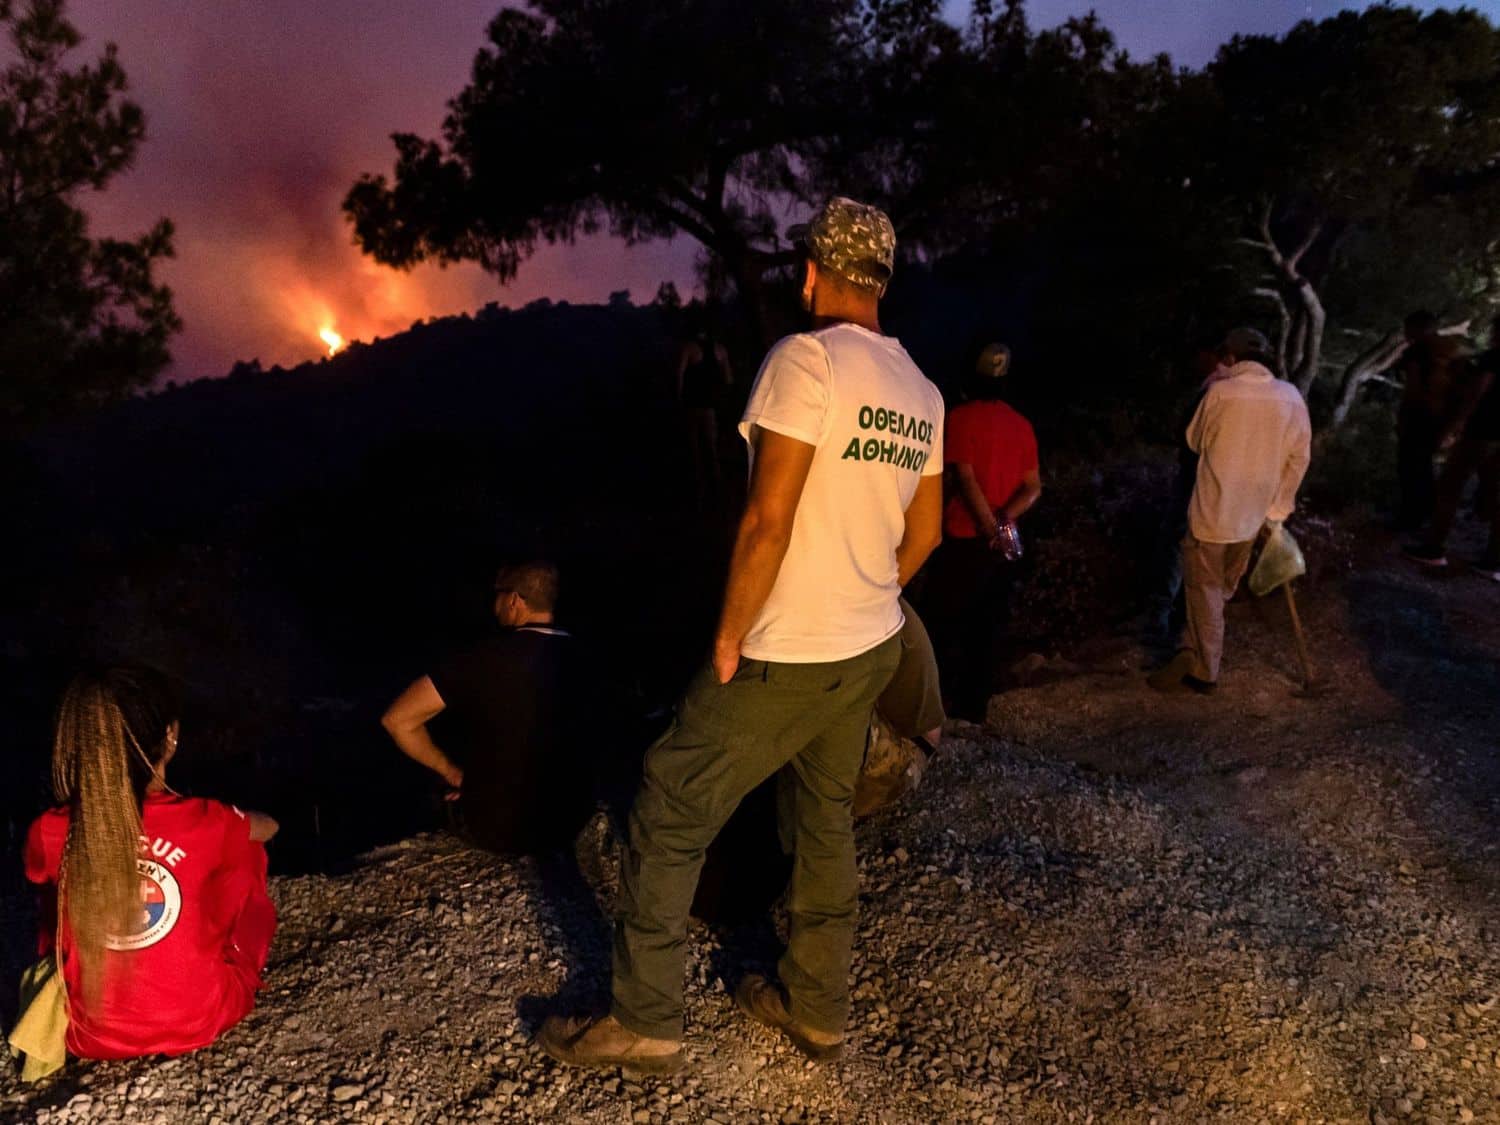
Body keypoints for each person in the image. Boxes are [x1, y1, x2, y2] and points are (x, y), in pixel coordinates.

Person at [538, 196, 945, 1073]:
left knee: (668, 801)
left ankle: (644, 1018)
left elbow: (766, 521)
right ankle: (817, 1007)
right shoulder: (921, 387)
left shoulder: (805, 361)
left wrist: (729, 639)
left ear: (812, 273)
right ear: (881, 279)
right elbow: (929, 532)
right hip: (868, 642)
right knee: (824, 815)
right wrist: (870, 592)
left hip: (789, 646)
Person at [21, 666, 278, 1061]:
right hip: (204, 1017)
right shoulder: (204, 819)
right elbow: (269, 828)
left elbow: (41, 886)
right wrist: (234, 819)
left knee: (55, 887)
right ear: (170, 736)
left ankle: (98, 985)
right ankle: (205, 967)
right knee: (245, 850)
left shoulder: (49, 829)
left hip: (89, 1034)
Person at [381, 560, 595, 856]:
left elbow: (397, 720)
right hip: (568, 822)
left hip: (497, 831)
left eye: (497, 596)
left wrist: (452, 772)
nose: (494, 604)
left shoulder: (480, 659)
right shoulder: (586, 659)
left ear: (514, 600)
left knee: (436, 762)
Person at [1149, 327, 1311, 694]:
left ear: (1231, 358)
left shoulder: (1220, 393)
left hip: (1213, 513)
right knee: (1217, 590)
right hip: (1253, 518)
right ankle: (1193, 646)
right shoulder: (1290, 397)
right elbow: (1299, 458)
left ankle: (1205, 667)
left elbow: (1194, 440)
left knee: (1203, 588)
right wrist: (1279, 507)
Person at [921, 341, 1041, 720]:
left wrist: (989, 526)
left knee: (941, 624)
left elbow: (965, 477)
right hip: (1002, 547)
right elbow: (1034, 486)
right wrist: (1005, 523)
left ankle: (935, 707)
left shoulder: (960, 418)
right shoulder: (1021, 425)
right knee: (986, 628)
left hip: (963, 539)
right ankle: (975, 709)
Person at [1405, 313, 1500, 579]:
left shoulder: (1492, 359)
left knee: (1449, 487)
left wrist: (1452, 430)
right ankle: (1493, 562)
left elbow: (1475, 396)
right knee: (1495, 495)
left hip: (1481, 433)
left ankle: (1434, 549)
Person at [1395, 310, 1463, 532]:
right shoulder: (1450, 349)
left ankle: (1409, 517)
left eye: (1408, 328)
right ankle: (1425, 512)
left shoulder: (1417, 351)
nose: (1406, 333)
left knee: (1410, 465)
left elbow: (1413, 388)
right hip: (1440, 416)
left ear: (1417, 328)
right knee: (1424, 465)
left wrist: (1404, 416)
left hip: (1420, 415)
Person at [675, 309, 734, 504]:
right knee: (711, 448)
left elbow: (679, 376)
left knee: (695, 449)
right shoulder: (720, 350)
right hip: (712, 406)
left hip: (693, 405)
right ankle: (717, 490)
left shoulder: (689, 348)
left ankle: (700, 492)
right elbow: (728, 379)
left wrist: (678, 398)